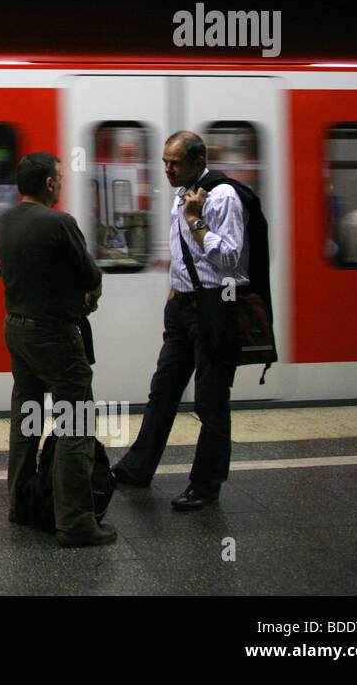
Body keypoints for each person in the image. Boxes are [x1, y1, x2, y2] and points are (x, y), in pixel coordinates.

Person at [112, 131, 247, 510]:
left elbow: (230, 260)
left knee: (211, 401)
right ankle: (138, 467)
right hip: (183, 308)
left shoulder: (222, 197)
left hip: (214, 309)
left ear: (199, 163)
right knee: (164, 391)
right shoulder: (181, 195)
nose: (167, 170)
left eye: (175, 163)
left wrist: (195, 221)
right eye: (165, 162)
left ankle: (206, 485)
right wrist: (175, 289)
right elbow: (186, 255)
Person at [0, 152, 112, 547]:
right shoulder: (60, 223)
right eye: (59, 178)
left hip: (16, 328)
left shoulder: (5, 221)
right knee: (75, 423)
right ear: (48, 184)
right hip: (54, 334)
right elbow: (90, 274)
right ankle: (75, 521)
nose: (61, 183)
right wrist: (88, 296)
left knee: (26, 418)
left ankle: (20, 505)